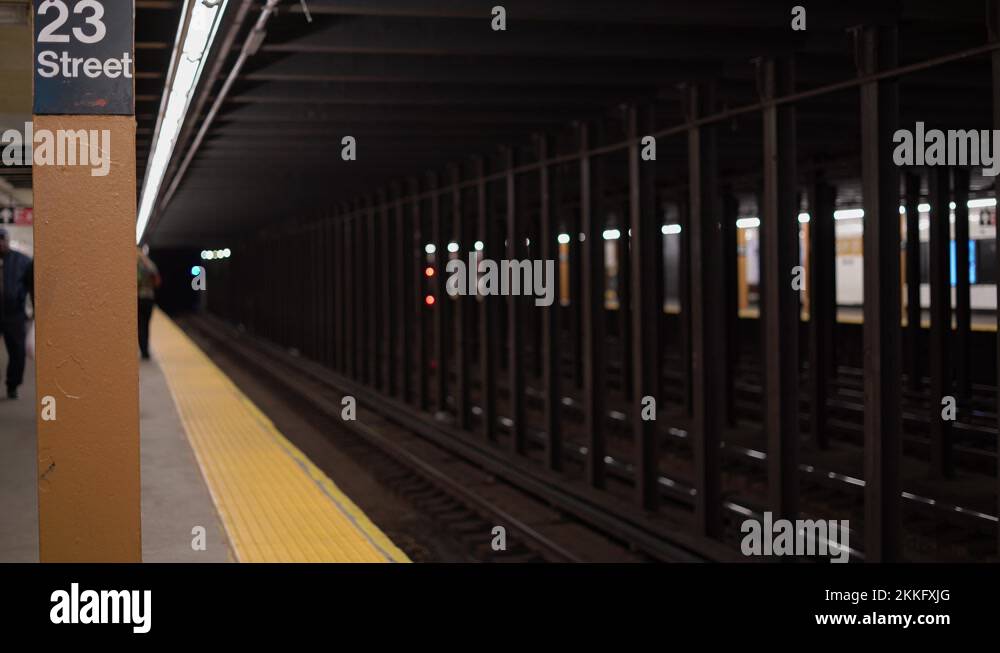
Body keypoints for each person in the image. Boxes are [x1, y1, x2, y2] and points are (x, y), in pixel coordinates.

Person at [0, 228, 33, 399]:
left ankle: (12, 385)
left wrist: (34, 311)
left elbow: (33, 286)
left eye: (2, 239)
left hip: (14, 314)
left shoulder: (22, 261)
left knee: (17, 352)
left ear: (7, 240)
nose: (0, 243)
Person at [137, 247, 161, 360]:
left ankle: (143, 349)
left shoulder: (136, 265)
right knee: (146, 324)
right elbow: (157, 282)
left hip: (139, 298)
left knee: (140, 325)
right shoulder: (151, 265)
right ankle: (145, 350)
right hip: (149, 298)